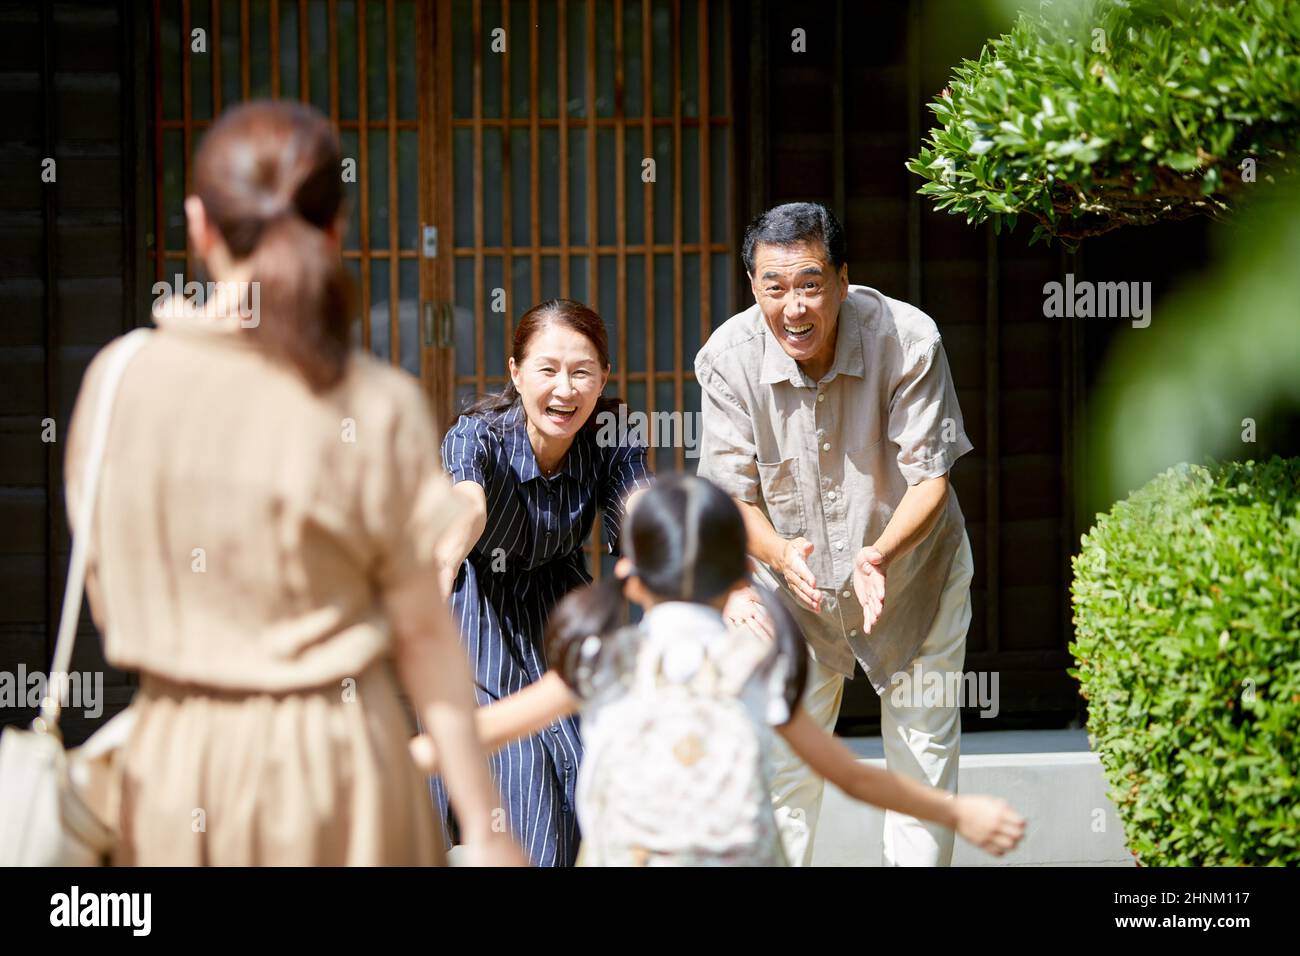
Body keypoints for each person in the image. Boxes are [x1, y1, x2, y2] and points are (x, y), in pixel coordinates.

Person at [65, 100, 523, 866]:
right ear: (335, 231)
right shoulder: (376, 403)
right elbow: (423, 634)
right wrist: (486, 828)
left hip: (177, 774)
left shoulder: (118, 383)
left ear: (198, 225)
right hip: (346, 775)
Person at [410, 474, 1024, 865]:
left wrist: (382, 755)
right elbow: (853, 778)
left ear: (629, 578)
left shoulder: (607, 661)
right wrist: (956, 812)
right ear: (738, 582)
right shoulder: (753, 669)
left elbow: (478, 733)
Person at [695, 201, 977, 866]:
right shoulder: (726, 360)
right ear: (754, 288)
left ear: (844, 280)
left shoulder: (908, 340)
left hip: (914, 581)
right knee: (784, 771)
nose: (794, 307)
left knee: (920, 770)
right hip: (793, 597)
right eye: (775, 287)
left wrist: (878, 552)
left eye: (811, 284)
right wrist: (778, 554)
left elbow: (930, 478)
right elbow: (729, 497)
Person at [427, 299, 652, 866]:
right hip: (476, 604)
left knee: (582, 758)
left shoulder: (612, 432)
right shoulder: (474, 434)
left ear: (604, 377)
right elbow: (466, 505)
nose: (565, 389)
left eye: (581, 372)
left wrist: (697, 581)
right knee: (523, 758)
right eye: (547, 369)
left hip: (561, 608)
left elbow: (639, 511)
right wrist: (440, 564)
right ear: (515, 372)